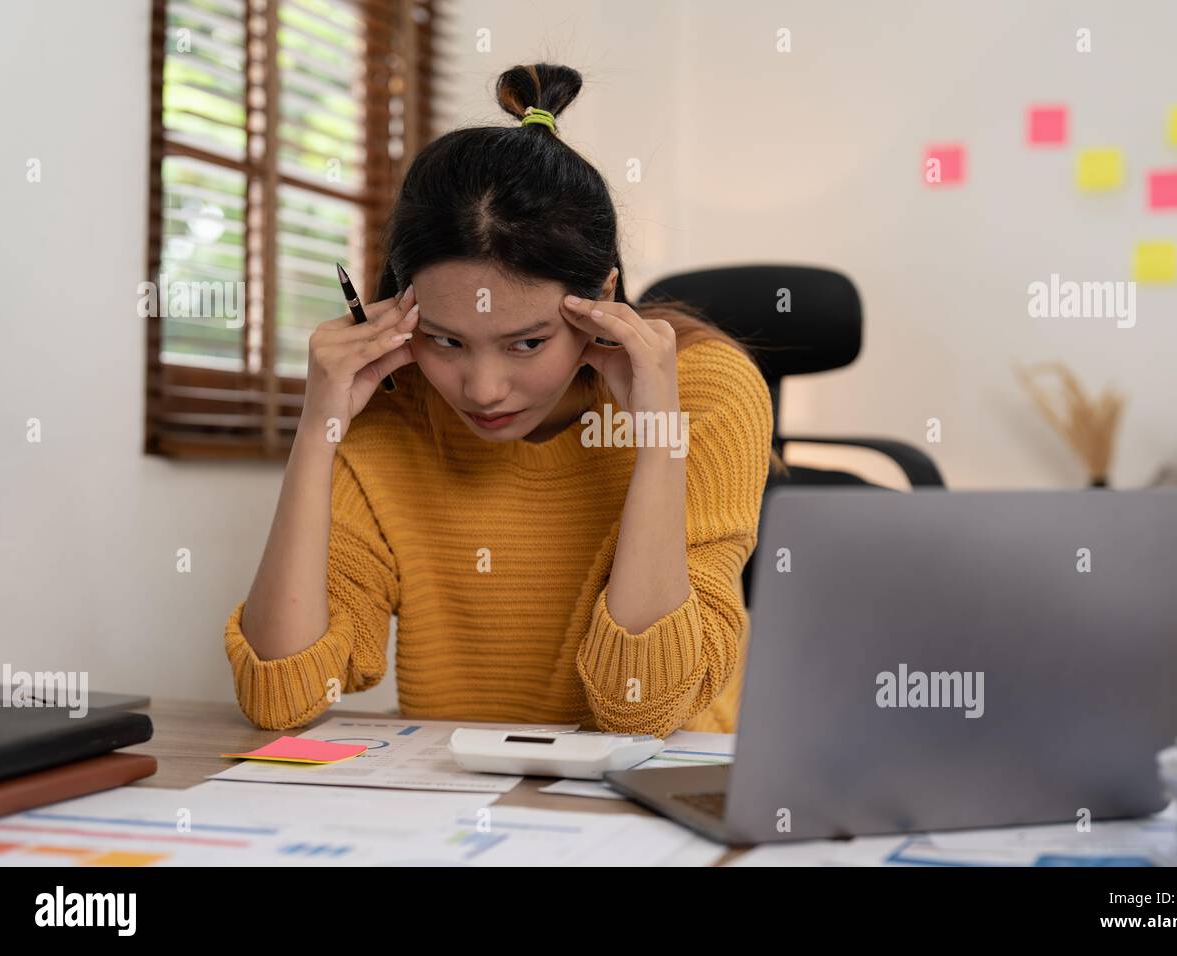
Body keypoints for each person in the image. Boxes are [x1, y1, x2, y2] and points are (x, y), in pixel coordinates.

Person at [223, 63, 783, 737]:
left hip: (663, 800)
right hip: (460, 811)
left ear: (600, 301)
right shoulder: (390, 411)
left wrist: (657, 439)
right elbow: (283, 701)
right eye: (445, 340)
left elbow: (646, 708)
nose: (482, 390)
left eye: (525, 343)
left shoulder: (705, 392)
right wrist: (319, 431)